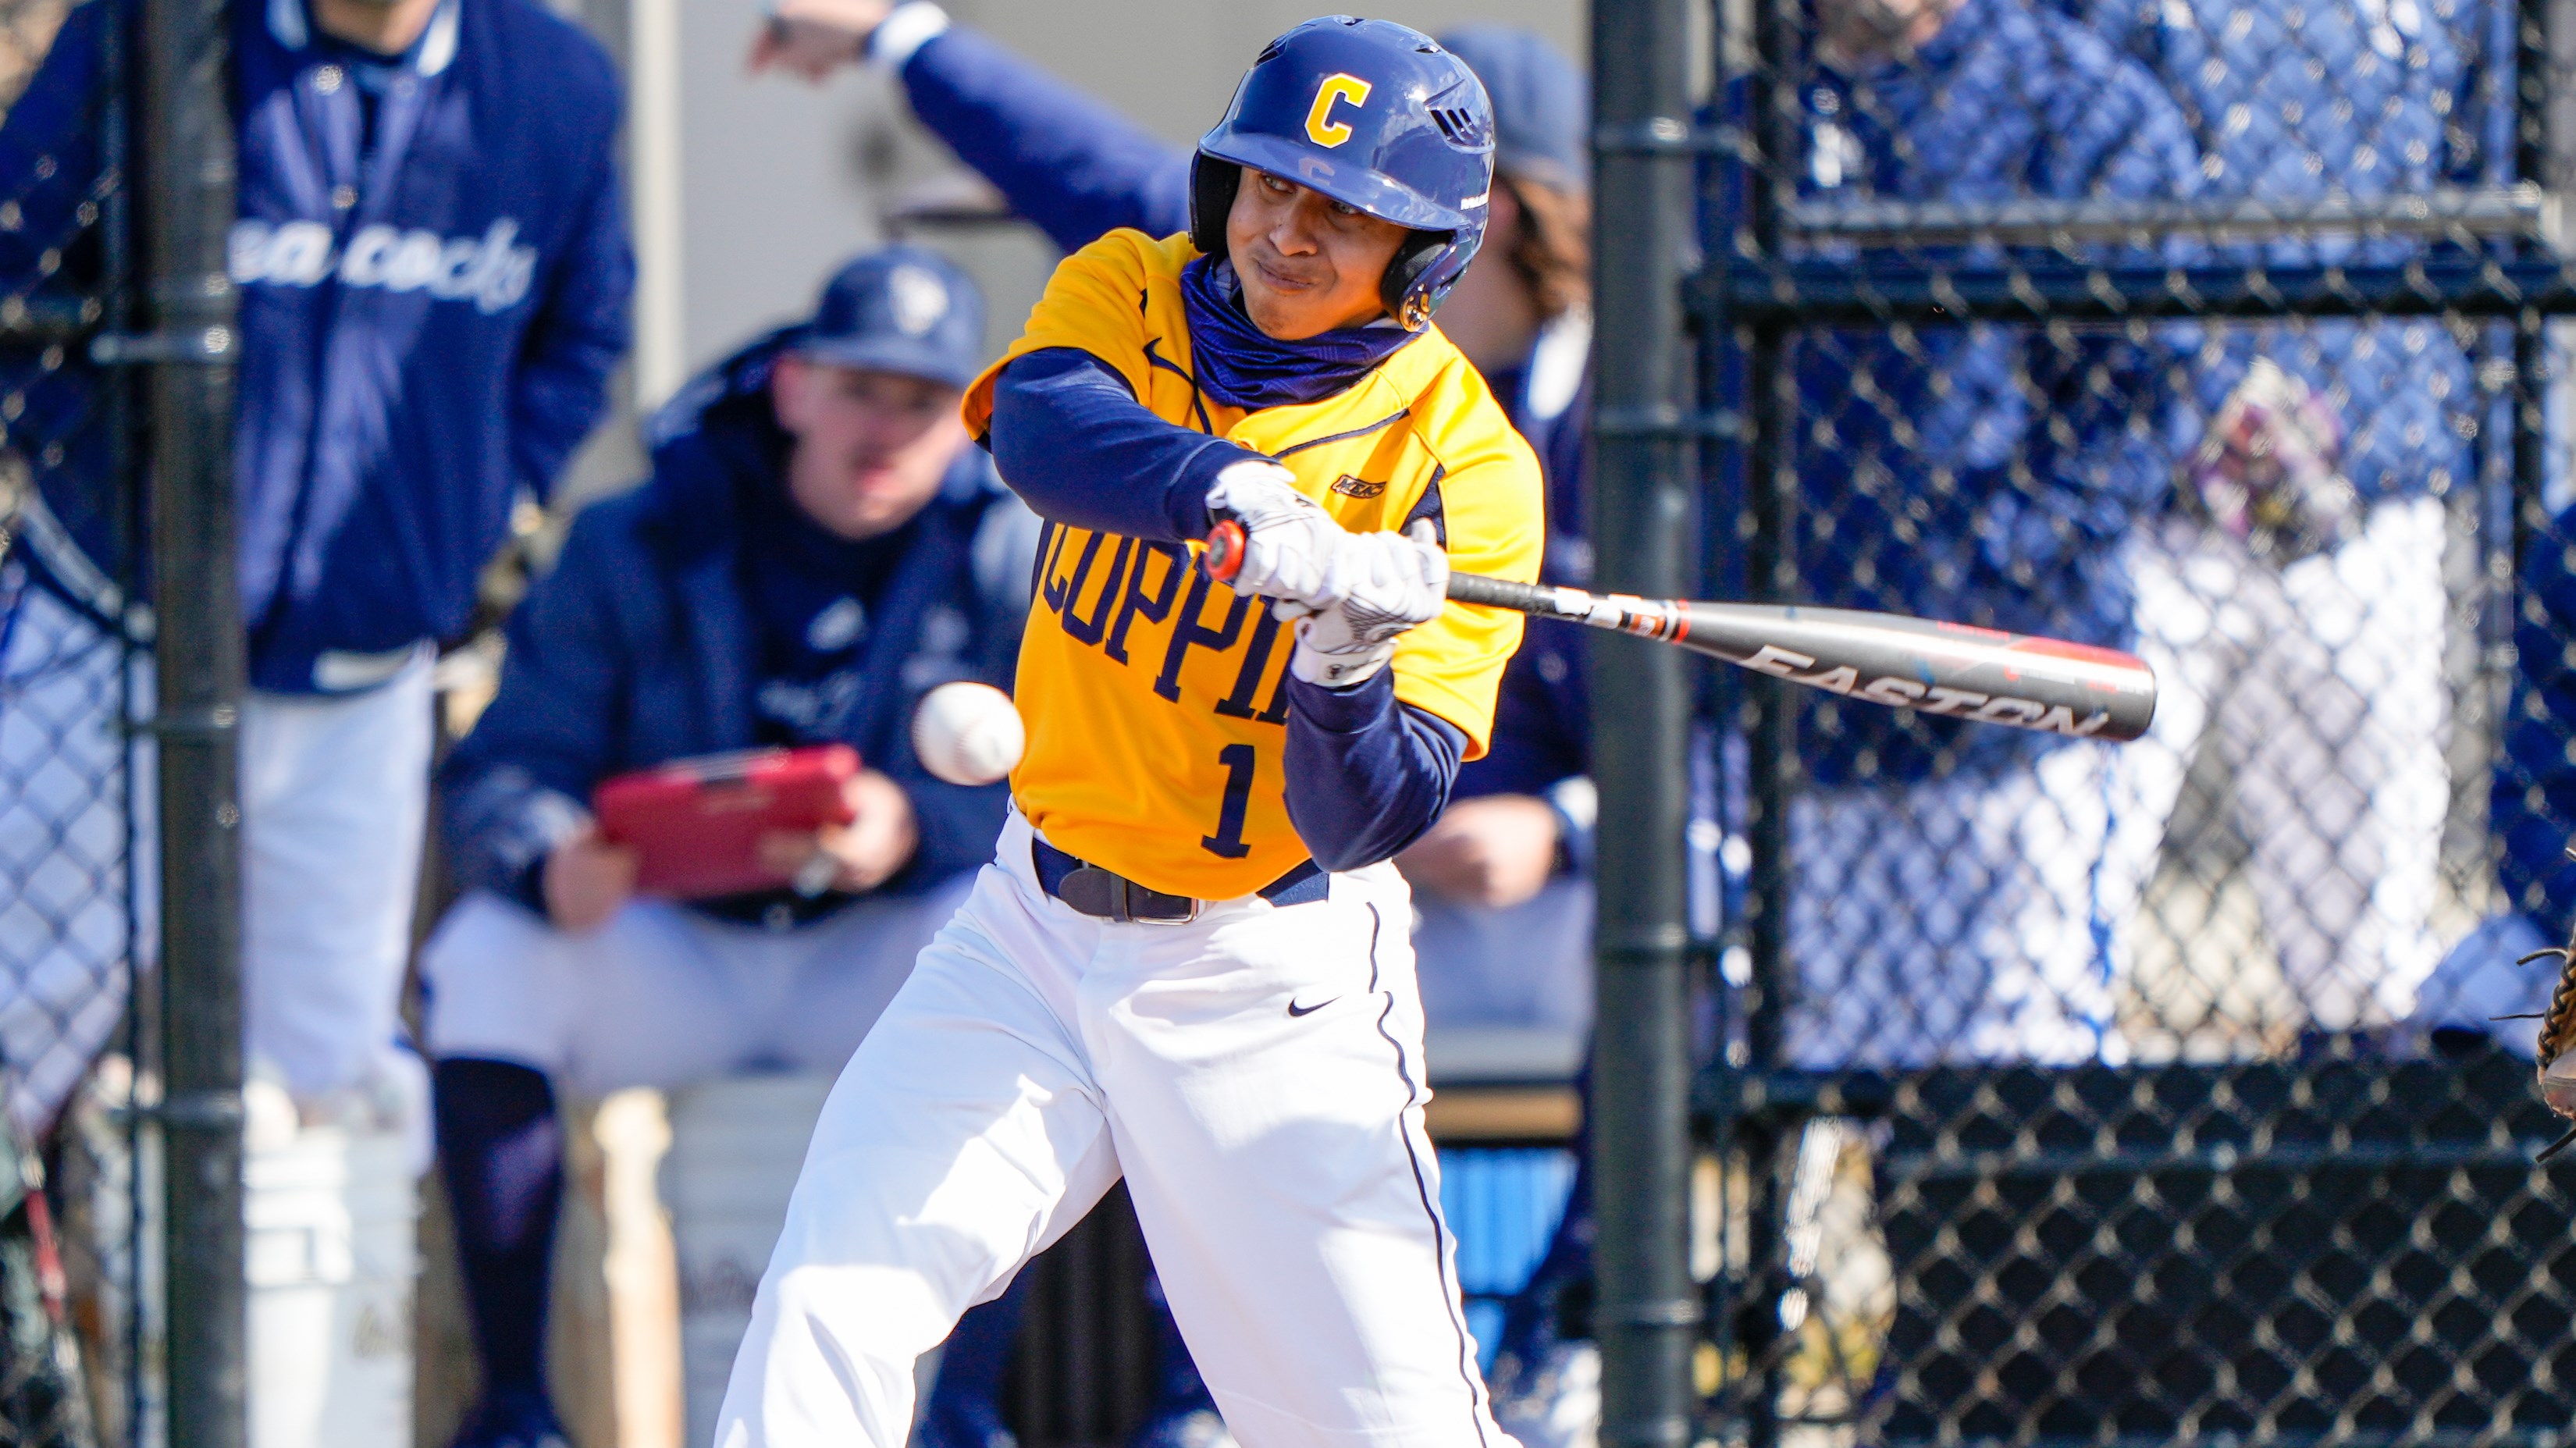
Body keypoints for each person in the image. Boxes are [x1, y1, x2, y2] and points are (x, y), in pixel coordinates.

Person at [756, 14, 1600, 1446]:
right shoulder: (1131, 289)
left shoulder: (1461, 469)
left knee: (1380, 1432)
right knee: (829, 1297)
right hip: (1029, 928)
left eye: (1350, 214)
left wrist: (1344, 665)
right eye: (1275, 186)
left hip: (1263, 979)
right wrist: (1232, 492)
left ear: (1426, 257)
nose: (1291, 231)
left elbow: (1364, 824)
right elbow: (1042, 427)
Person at [422, 247, 1037, 1448]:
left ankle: (960, 1411)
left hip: (879, 957)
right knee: (486, 958)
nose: (888, 429)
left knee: (1040, 958)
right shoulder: (642, 531)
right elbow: (509, 765)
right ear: (797, 387)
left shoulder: (1012, 547)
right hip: (675, 947)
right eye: (862, 388)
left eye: (923, 402)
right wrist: (549, 857)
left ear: (965, 420)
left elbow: (1083, 793)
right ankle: (513, 1410)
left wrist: (919, 823)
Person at [0, 0, 631, 1150]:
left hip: (360, 675)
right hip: (108, 633)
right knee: (14, 1024)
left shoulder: (551, 82)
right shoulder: (157, 34)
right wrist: (108, 485)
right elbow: (18, 267)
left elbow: (581, 340)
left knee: (323, 1085)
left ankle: (291, 1335)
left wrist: (471, 511)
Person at [2073, 0, 2498, 1041]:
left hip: (2370, 499)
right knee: (2073, 885)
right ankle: (2050, 1172)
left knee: (2366, 952)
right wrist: (2201, 383)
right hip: (2156, 498)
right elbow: (2071, 165)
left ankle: (2359, 1183)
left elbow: (2489, 200)